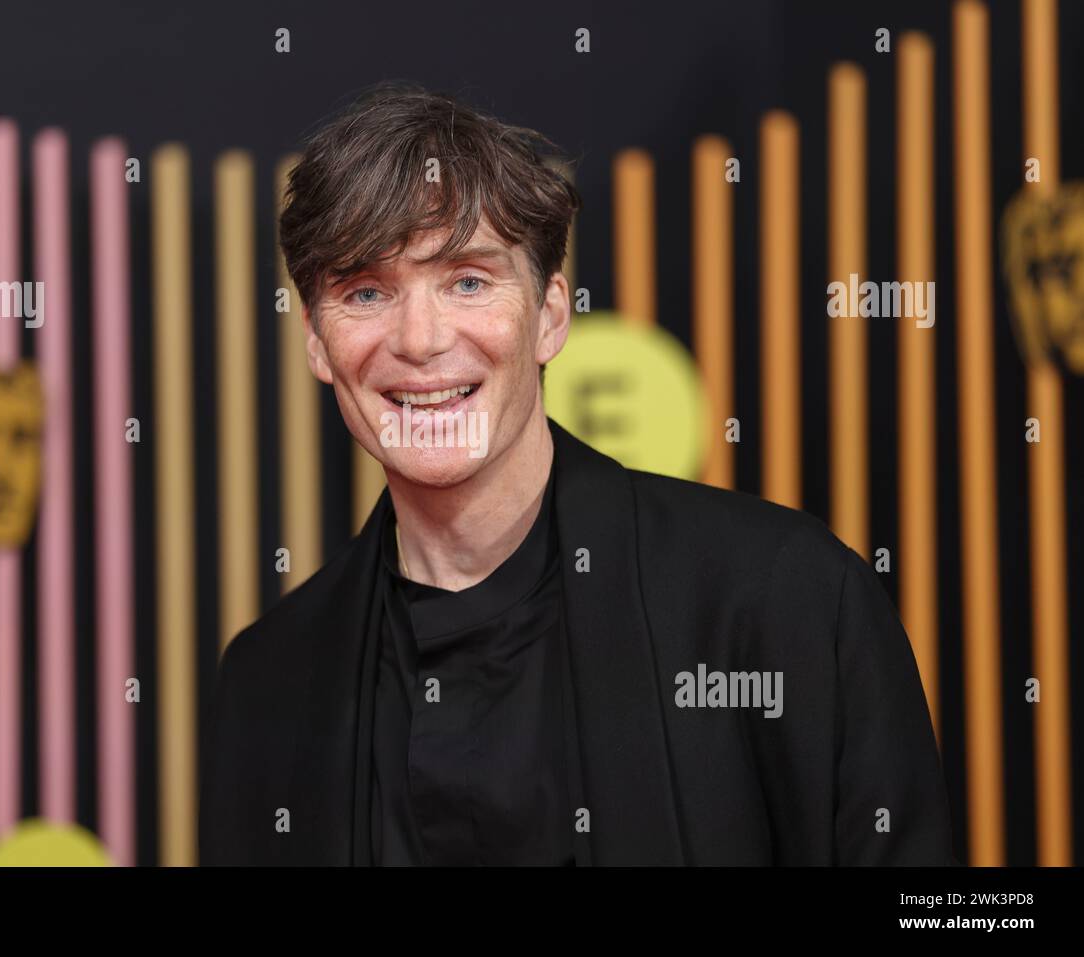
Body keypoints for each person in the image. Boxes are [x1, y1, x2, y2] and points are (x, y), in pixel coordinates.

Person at [199, 81, 954, 866]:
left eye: (467, 279)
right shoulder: (268, 680)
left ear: (551, 314)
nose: (420, 340)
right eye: (366, 291)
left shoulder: (782, 598)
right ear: (318, 342)